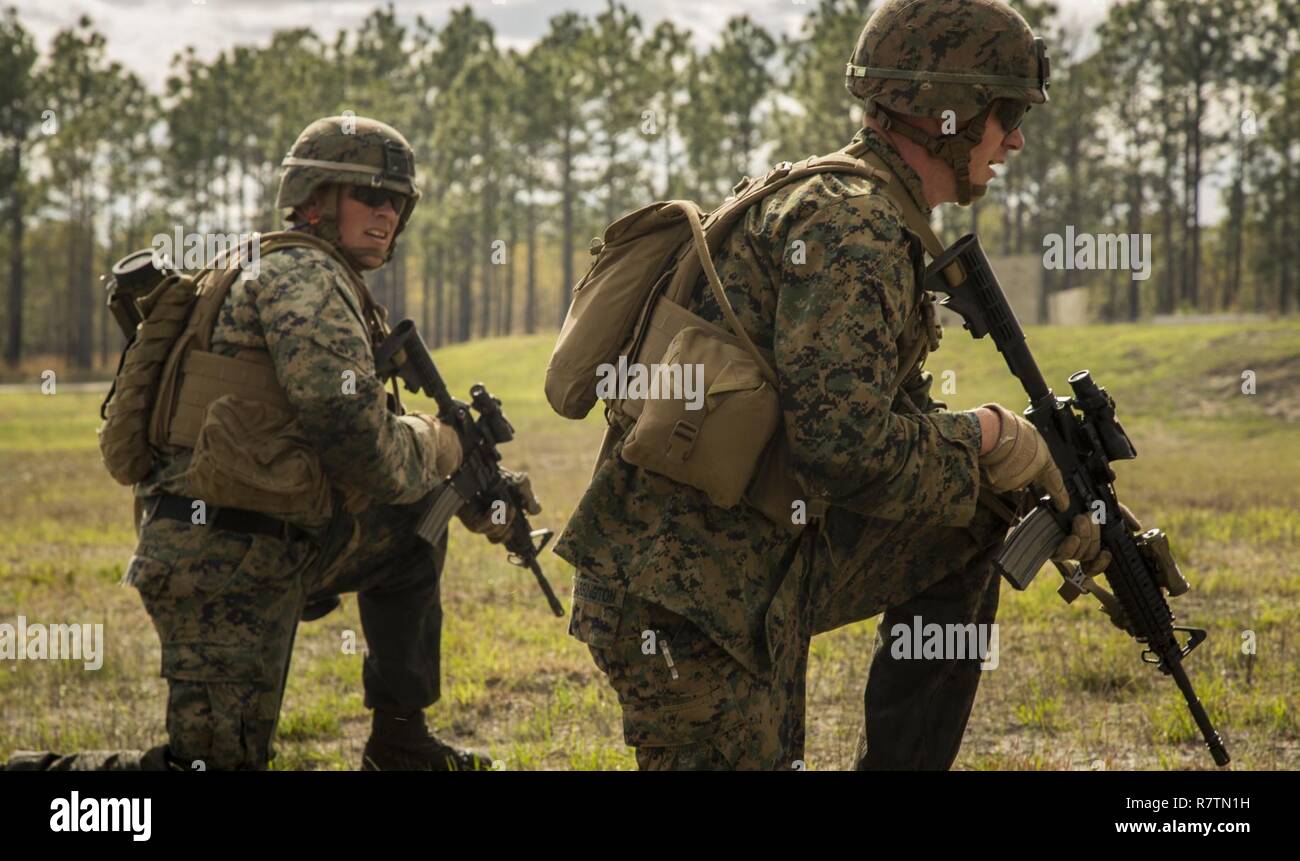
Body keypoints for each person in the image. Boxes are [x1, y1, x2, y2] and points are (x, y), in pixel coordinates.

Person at [556, 0, 1104, 770]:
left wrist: (1021, 474)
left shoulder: (851, 205)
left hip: (737, 563)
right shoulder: (855, 225)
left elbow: (874, 420)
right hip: (682, 593)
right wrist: (992, 436)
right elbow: (844, 448)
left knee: (975, 514)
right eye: (1003, 112)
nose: (1012, 138)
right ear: (945, 116)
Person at [5, 116, 513, 771]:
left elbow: (359, 460)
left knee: (419, 525)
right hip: (219, 555)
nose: (388, 212)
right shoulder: (302, 277)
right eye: (370, 196)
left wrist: (460, 490)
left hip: (273, 537)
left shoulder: (282, 266)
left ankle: (401, 745)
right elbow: (357, 440)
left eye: (398, 201)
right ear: (315, 198)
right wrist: (438, 442)